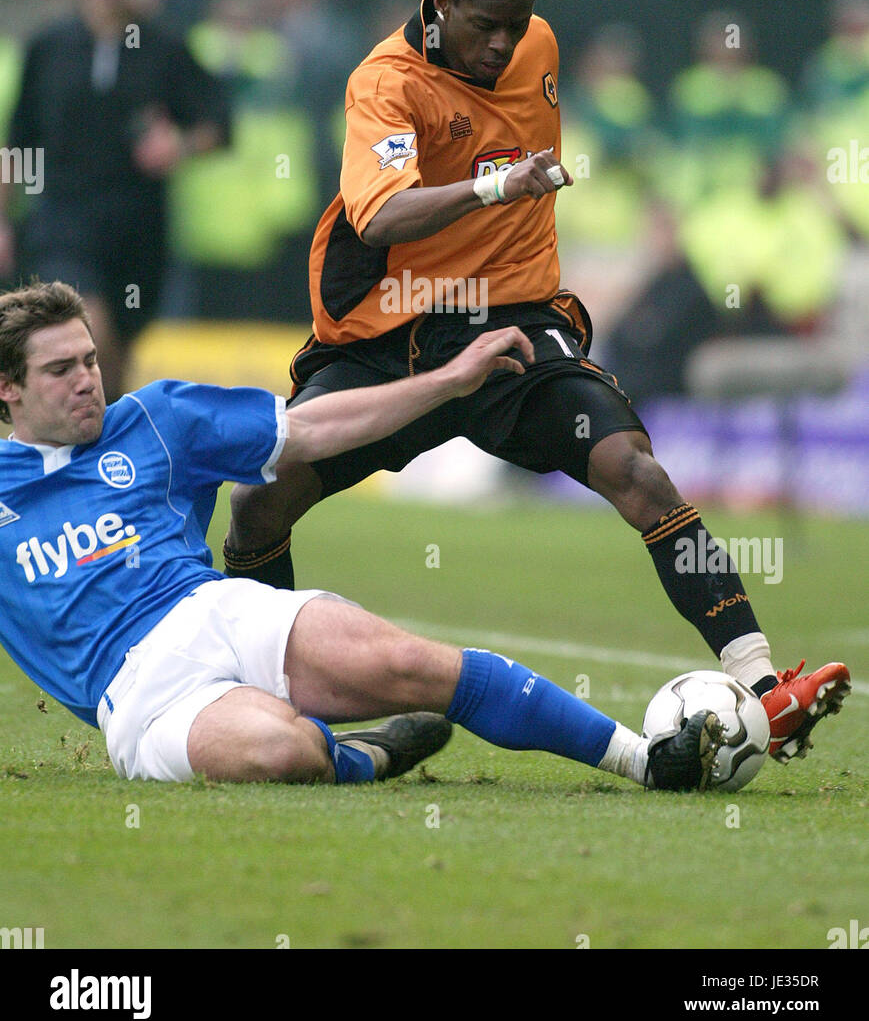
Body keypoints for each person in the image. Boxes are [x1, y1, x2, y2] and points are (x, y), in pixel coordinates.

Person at [225, 0, 850, 765]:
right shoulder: (385, 84)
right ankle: (264, 707)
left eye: (515, 26)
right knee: (261, 498)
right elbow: (378, 216)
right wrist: (497, 183)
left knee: (636, 470)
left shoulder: (538, 42)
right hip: (390, 333)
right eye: (484, 25)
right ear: (439, 7)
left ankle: (766, 690)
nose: (501, 45)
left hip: (513, 323)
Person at [0, 279, 720, 791]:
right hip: (140, 696)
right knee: (281, 750)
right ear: (9, 388)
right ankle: (364, 758)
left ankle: (644, 759)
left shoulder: (157, 417)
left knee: (419, 666)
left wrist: (449, 380)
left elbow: (314, 427)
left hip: (217, 610)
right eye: (60, 370)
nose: (87, 380)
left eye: (90, 360)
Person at [0, 0, 230, 401]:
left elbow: (219, 125)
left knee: (115, 362)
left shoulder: (165, 49)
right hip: (62, 225)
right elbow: (19, 143)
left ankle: (105, 465)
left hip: (138, 232)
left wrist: (180, 145)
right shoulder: (49, 47)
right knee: (87, 331)